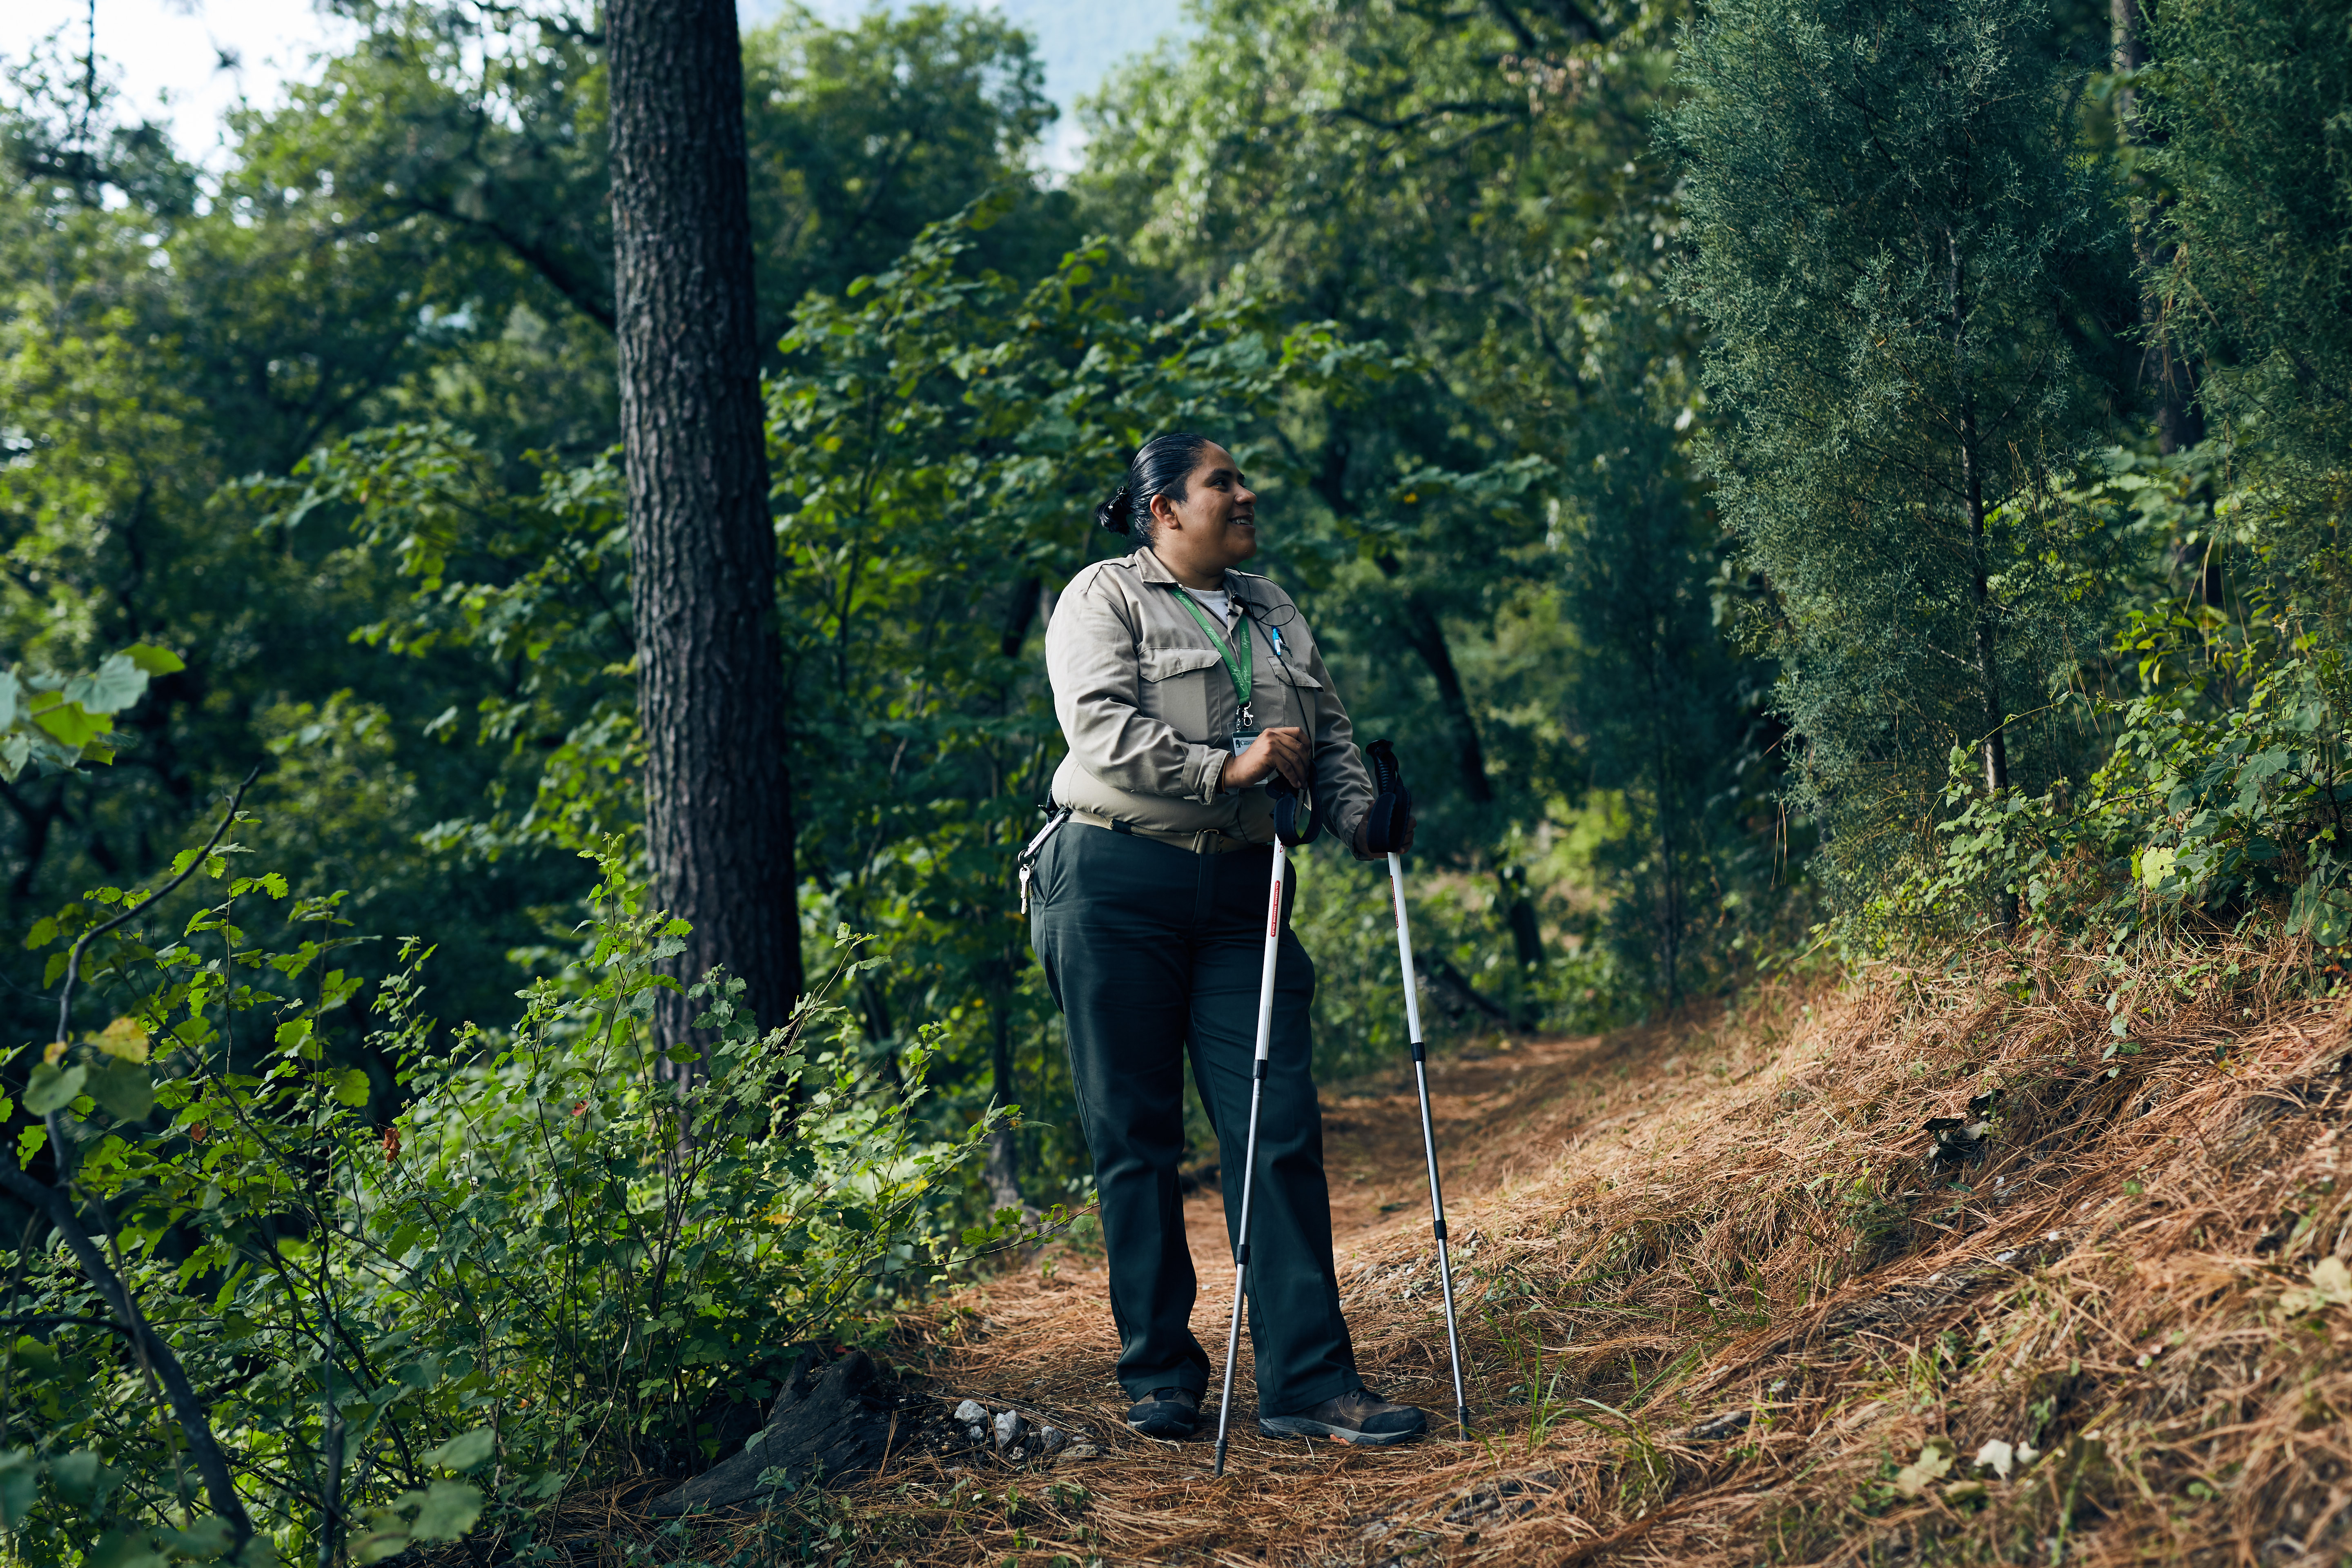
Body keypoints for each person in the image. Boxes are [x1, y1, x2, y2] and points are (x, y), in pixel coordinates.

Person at [1025, 431, 1430, 1448]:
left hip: (1247, 891)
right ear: (1163, 510)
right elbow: (1100, 729)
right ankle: (1160, 1373)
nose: (1245, 495)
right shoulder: (1101, 600)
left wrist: (1360, 817)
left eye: (1241, 481)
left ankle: (1309, 1380)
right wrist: (1227, 767)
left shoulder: (1273, 607)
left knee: (1279, 1123)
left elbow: (1328, 739)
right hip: (1114, 880)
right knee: (1135, 1133)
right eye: (1223, 483)